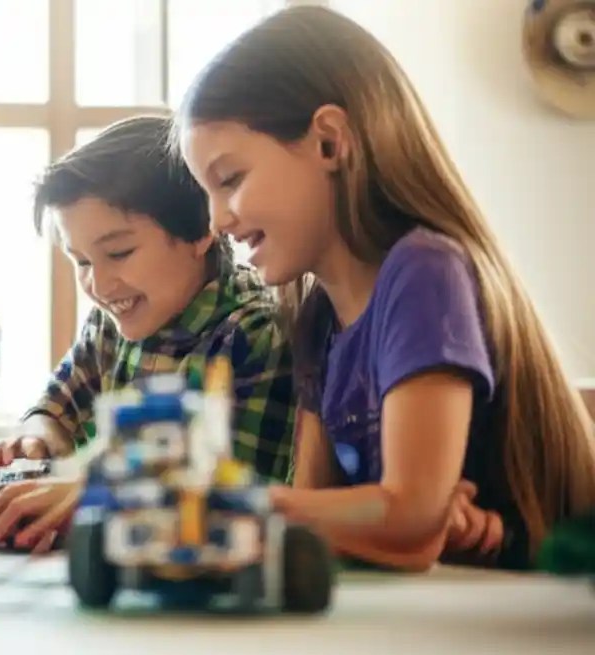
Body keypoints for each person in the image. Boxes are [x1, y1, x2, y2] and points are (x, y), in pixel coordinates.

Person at [175, 5, 595, 570]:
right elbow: (322, 512)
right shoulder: (316, 321)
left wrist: (202, 506)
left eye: (230, 180)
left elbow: (408, 521)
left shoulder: (424, 272)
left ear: (329, 141)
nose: (218, 221)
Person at [0, 115, 296, 552]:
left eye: (119, 252)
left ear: (202, 229)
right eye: (83, 262)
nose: (100, 285)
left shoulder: (254, 334)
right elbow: (54, 411)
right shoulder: (110, 325)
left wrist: (88, 494)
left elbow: (223, 496)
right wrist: (35, 441)